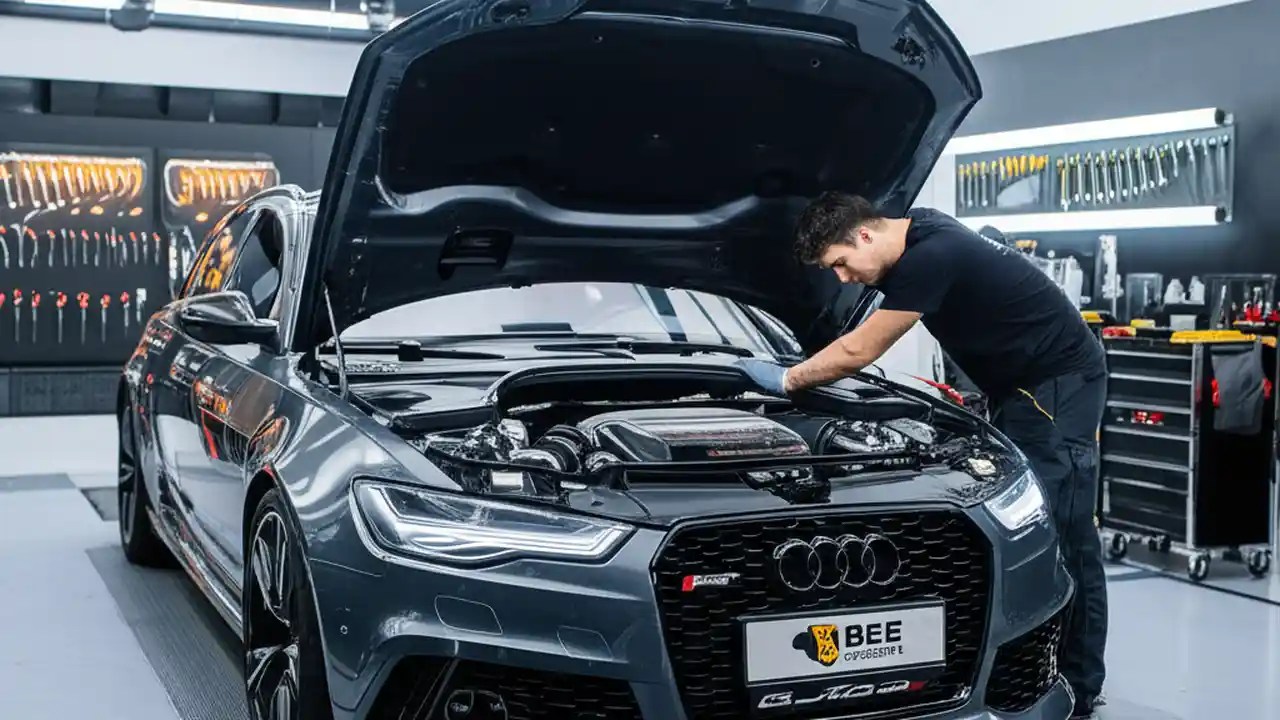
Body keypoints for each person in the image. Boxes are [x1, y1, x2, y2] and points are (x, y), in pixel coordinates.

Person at [735, 193, 1108, 719]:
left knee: (1067, 534)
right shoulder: (920, 229)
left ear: (865, 234)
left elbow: (861, 350)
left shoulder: (932, 256)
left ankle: (1079, 685)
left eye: (840, 264)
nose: (841, 279)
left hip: (1056, 387)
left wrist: (788, 378)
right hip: (1020, 387)